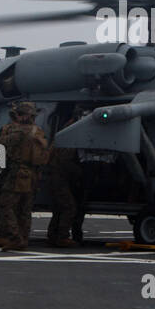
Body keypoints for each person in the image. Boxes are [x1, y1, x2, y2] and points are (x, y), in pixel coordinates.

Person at [0, 100, 49, 251]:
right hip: (32, 176)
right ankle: (23, 238)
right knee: (25, 209)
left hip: (15, 174)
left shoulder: (16, 131)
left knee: (5, 205)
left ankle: (13, 237)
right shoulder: (38, 131)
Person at [45, 105, 89, 247]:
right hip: (60, 177)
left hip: (57, 176)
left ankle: (53, 235)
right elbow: (64, 161)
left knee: (59, 208)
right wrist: (79, 172)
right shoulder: (70, 135)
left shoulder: (65, 132)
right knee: (68, 207)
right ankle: (62, 236)